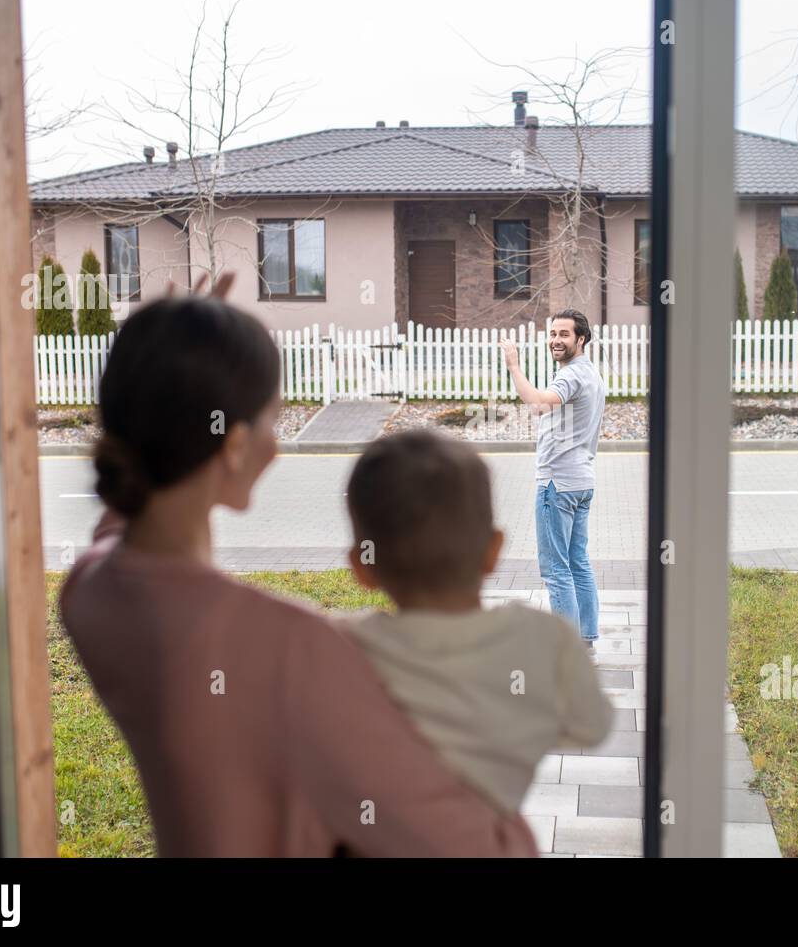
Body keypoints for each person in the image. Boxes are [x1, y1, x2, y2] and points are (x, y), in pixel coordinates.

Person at [59, 283, 535, 857]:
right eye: (273, 420)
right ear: (233, 447)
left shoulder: (89, 590)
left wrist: (165, 362)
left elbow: (121, 524)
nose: (278, 445)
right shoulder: (290, 646)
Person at [341, 430, 613, 813]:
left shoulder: (343, 649)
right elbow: (593, 724)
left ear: (361, 568)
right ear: (494, 551)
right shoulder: (542, 639)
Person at [500, 311, 607, 649]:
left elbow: (537, 400)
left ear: (582, 339)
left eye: (564, 334)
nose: (556, 340)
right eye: (553, 333)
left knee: (556, 570)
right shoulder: (588, 374)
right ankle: (585, 637)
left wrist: (514, 367)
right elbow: (542, 408)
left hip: (557, 483)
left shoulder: (571, 376)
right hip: (580, 481)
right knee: (577, 562)